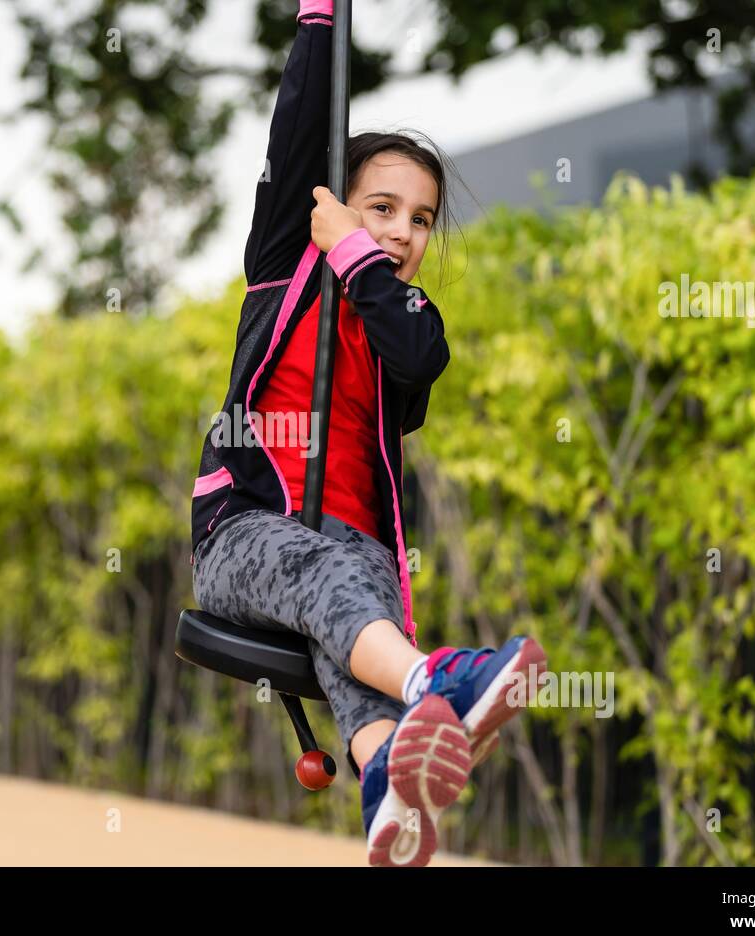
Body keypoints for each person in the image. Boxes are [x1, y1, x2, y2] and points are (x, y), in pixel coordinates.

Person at [188, 0, 547, 867]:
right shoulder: (285, 269)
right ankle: (439, 680)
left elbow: (418, 353)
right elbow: (297, 132)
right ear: (332, 209)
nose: (400, 230)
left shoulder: (407, 321)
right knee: (335, 576)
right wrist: (318, 19)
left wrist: (360, 260)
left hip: (355, 554)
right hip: (243, 534)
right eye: (379, 208)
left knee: (356, 629)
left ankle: (385, 777)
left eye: (419, 220)